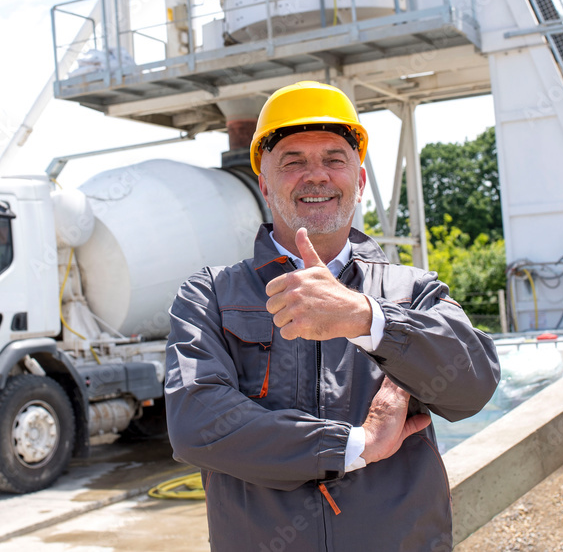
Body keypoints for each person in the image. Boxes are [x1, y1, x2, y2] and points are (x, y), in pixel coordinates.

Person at [165, 81, 500, 551]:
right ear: (265, 183)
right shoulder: (212, 295)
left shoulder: (413, 291)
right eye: (294, 161)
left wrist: (368, 318)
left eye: (334, 159)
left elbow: (473, 387)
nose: (315, 175)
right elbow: (195, 422)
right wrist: (352, 446)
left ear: (359, 181)